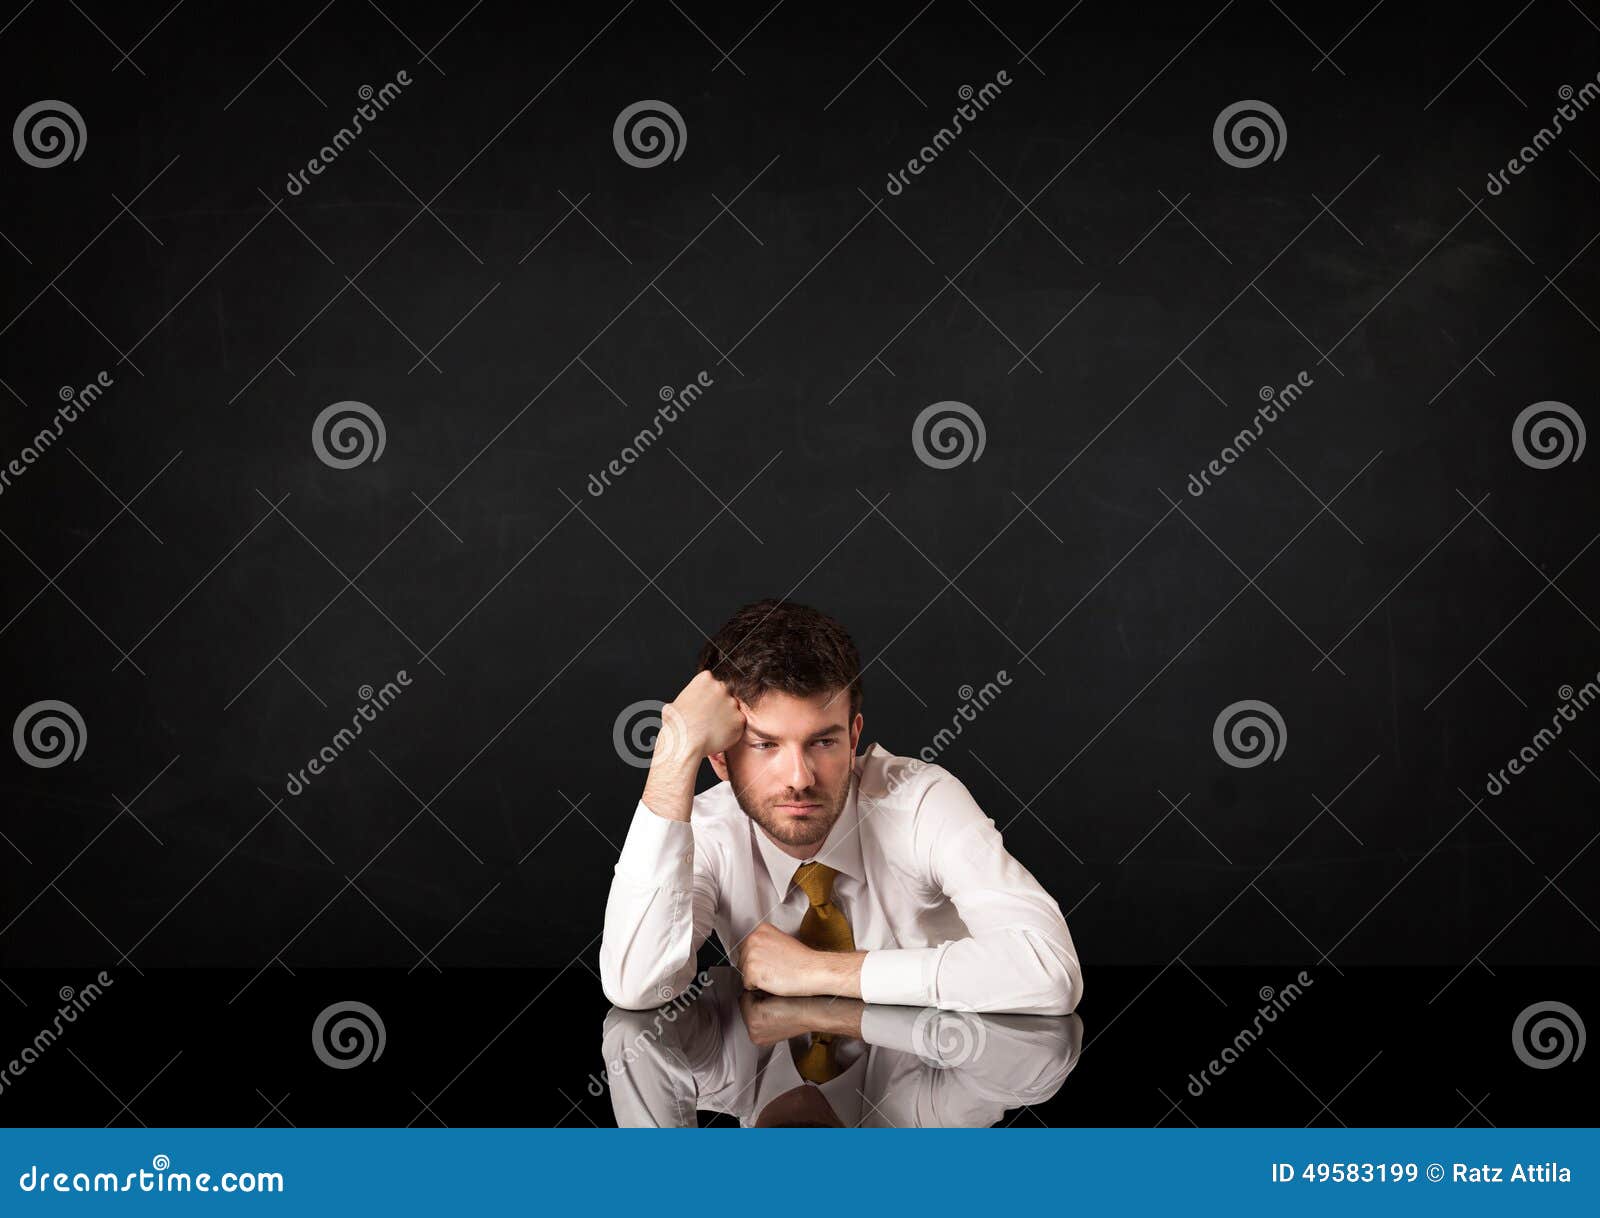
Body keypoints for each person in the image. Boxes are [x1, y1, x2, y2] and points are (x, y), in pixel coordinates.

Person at [599, 598, 1083, 1015]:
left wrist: (818, 971)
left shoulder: (919, 802)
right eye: (766, 745)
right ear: (720, 758)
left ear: (853, 737)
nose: (800, 778)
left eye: (823, 742)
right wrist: (673, 756)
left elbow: (1050, 970)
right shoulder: (708, 831)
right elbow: (636, 987)